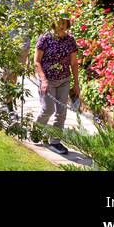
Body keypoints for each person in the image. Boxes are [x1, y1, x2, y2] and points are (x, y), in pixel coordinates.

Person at [34, 15, 80, 154]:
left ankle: (55, 141)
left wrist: (76, 84)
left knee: (61, 112)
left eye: (64, 23)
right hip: (47, 79)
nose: (62, 25)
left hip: (64, 80)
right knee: (48, 109)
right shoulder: (45, 39)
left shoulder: (70, 40)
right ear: (54, 23)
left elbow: (73, 62)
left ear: (67, 25)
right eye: (59, 22)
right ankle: (36, 130)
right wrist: (43, 79)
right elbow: (37, 61)